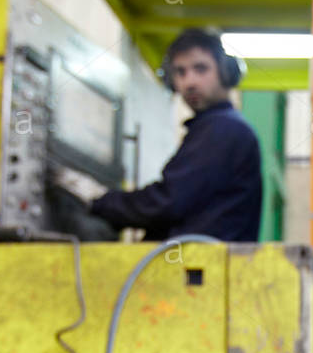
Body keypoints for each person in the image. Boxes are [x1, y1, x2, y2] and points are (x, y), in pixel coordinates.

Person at [87, 28, 262, 242]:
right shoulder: (216, 127)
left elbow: (168, 202)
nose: (190, 82)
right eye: (180, 72)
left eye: (201, 69)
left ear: (226, 73)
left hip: (199, 267)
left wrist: (99, 202)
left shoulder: (223, 129)